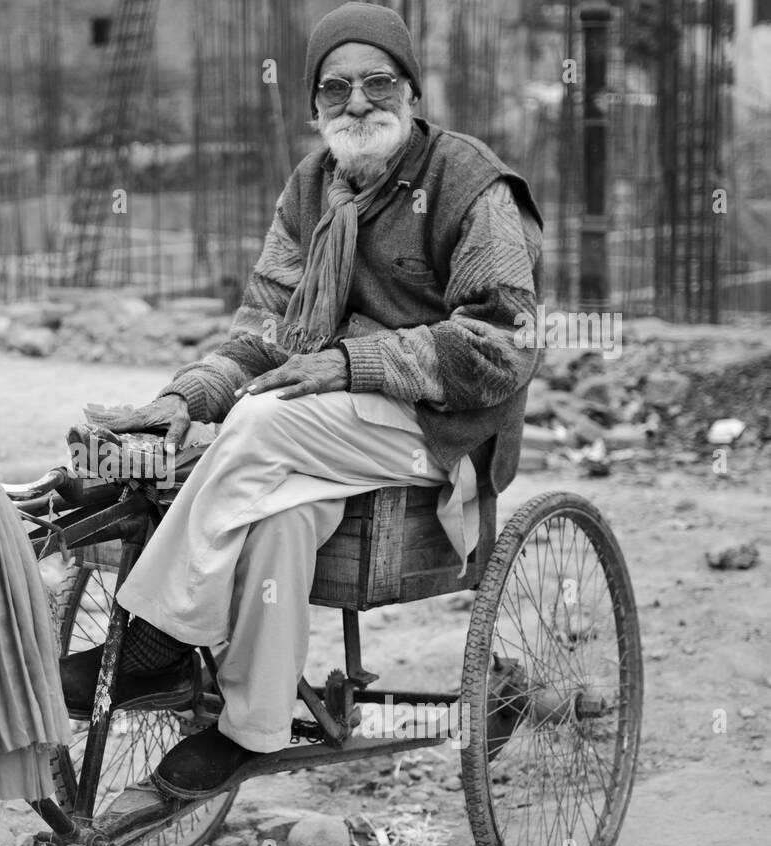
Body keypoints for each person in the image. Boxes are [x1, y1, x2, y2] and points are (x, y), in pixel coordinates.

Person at [59, 2, 545, 799]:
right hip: (339, 425)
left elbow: (505, 344)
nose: (357, 104)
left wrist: (352, 362)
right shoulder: (314, 184)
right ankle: (249, 729)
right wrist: (189, 395)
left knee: (262, 420)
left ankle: (155, 642)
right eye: (335, 89)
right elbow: (269, 320)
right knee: (278, 516)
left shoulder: (470, 184)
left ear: (413, 95)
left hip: (446, 427)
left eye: (378, 83)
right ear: (316, 105)